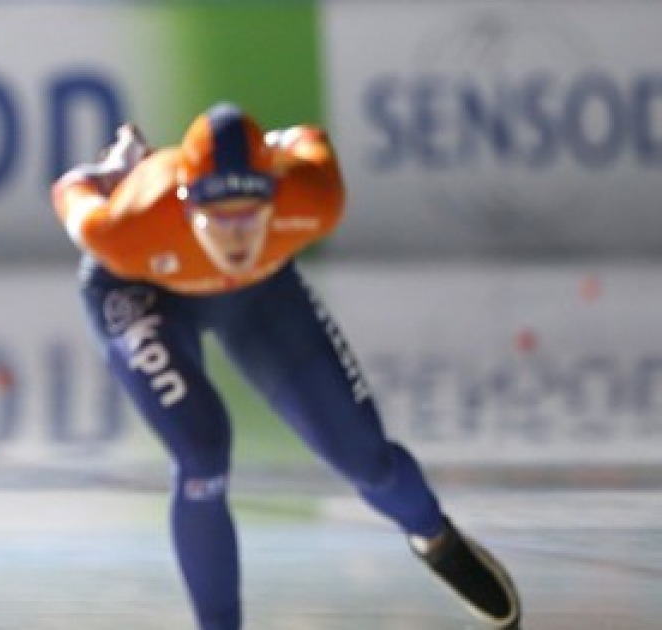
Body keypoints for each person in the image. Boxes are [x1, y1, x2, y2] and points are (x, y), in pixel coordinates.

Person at [50, 102, 521, 630]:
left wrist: (270, 147)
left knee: (367, 461)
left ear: (274, 193)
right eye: (218, 218)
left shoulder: (315, 195)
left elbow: (306, 133)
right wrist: (112, 174)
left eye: (250, 216)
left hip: (258, 296)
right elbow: (71, 186)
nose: (235, 238)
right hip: (145, 293)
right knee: (203, 456)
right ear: (185, 206)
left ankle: (436, 538)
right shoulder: (126, 227)